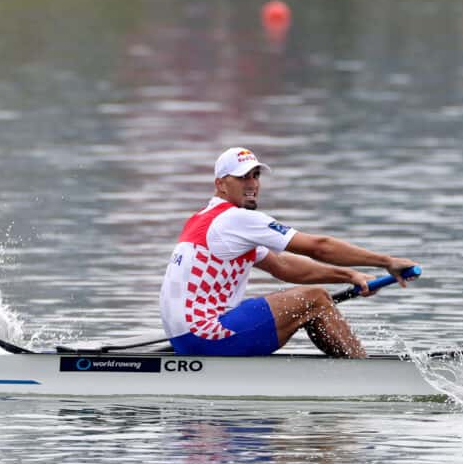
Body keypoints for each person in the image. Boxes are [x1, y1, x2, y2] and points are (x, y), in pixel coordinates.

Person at [160, 147, 418, 359]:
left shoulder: (202, 219)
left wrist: (350, 276)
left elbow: (284, 266)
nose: (252, 184)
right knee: (315, 298)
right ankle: (363, 374)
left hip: (185, 340)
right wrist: (386, 262)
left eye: (256, 176)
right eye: (243, 177)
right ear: (221, 184)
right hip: (208, 337)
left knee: (311, 299)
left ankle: (350, 367)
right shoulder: (234, 219)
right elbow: (318, 247)